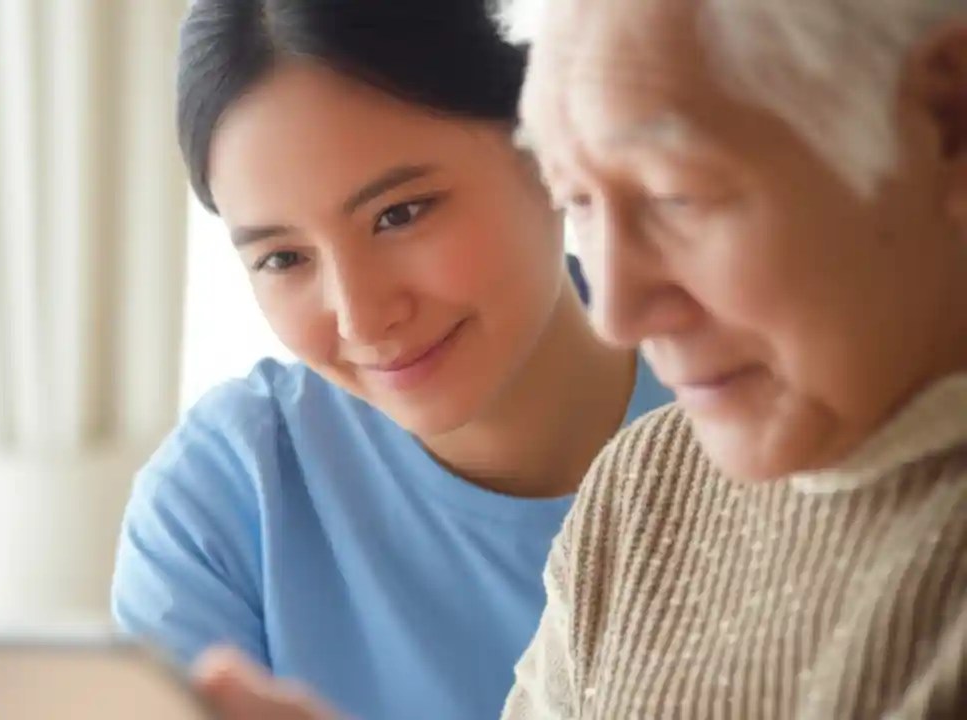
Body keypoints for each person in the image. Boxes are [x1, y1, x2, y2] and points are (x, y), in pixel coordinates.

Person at [187, 0, 967, 717]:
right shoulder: (642, 489)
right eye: (580, 199)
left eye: (674, 195)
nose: (618, 313)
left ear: (948, 121)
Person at [110, 1, 671, 719]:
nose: (360, 317)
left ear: (547, 146)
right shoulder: (223, 503)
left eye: (400, 214)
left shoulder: (762, 401)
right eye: (284, 258)